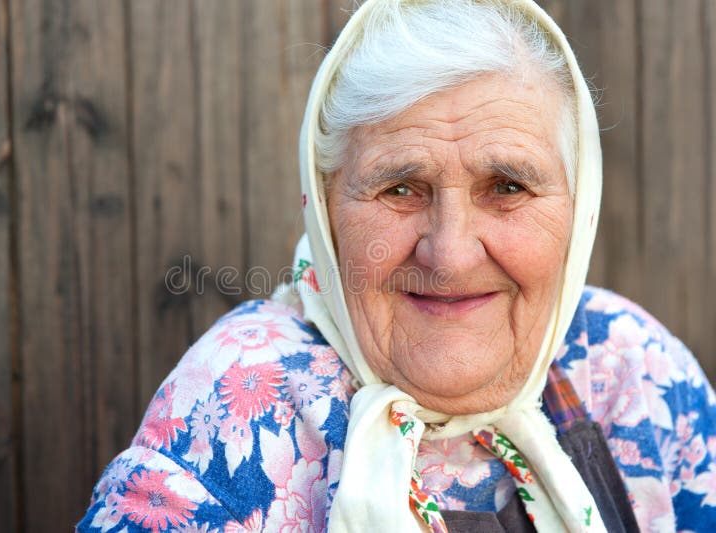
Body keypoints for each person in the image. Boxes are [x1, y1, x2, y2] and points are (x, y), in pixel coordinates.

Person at [77, 0, 716, 531]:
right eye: (400, 189)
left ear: (580, 207)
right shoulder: (239, 406)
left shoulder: (631, 368)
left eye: (509, 186)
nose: (452, 253)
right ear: (324, 210)